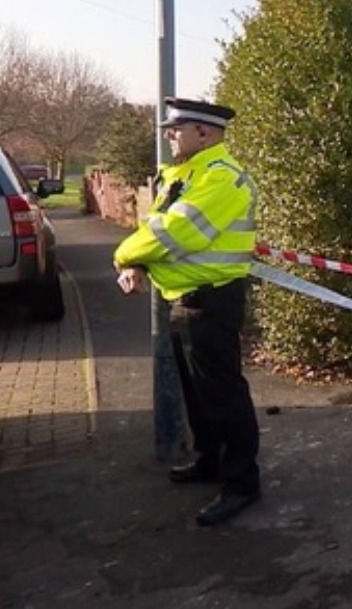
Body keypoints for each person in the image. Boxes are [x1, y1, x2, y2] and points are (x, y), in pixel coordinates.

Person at [113, 97, 261, 527]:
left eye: (176, 128)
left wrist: (123, 256)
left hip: (211, 300)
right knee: (197, 393)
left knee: (223, 394)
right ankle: (210, 461)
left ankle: (242, 483)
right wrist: (137, 261)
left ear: (205, 133)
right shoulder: (185, 175)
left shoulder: (222, 179)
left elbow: (174, 233)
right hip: (184, 297)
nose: (168, 135)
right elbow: (153, 232)